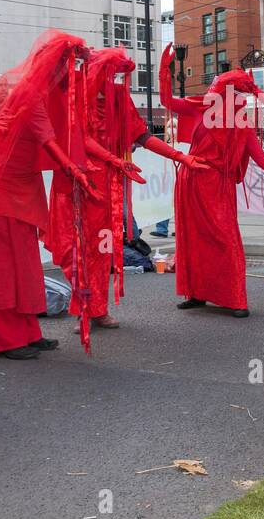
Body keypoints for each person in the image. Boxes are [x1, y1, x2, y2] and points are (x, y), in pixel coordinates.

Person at [49, 46, 207, 332]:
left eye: (124, 76)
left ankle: (95, 309)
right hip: (74, 183)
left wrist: (180, 156)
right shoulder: (74, 92)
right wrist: (71, 51)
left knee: (101, 250)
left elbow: (143, 136)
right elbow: (77, 133)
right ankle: (86, 306)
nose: (123, 81)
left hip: (106, 186)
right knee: (72, 250)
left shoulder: (119, 98)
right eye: (118, 74)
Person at [0, 32, 95, 358]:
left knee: (23, 263)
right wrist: (74, 170)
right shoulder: (30, 94)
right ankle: (6, 340)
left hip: (15, 188)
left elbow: (68, 138)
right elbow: (50, 141)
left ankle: (27, 332)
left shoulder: (43, 93)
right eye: (67, 66)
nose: (70, 73)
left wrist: (96, 163)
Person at [158, 44, 264, 317]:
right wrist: (164, 72)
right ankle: (196, 292)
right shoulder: (200, 108)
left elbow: (260, 157)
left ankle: (234, 298)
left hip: (216, 185)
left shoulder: (242, 124)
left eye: (221, 88)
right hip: (192, 181)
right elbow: (168, 101)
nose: (214, 91)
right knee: (192, 237)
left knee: (225, 238)